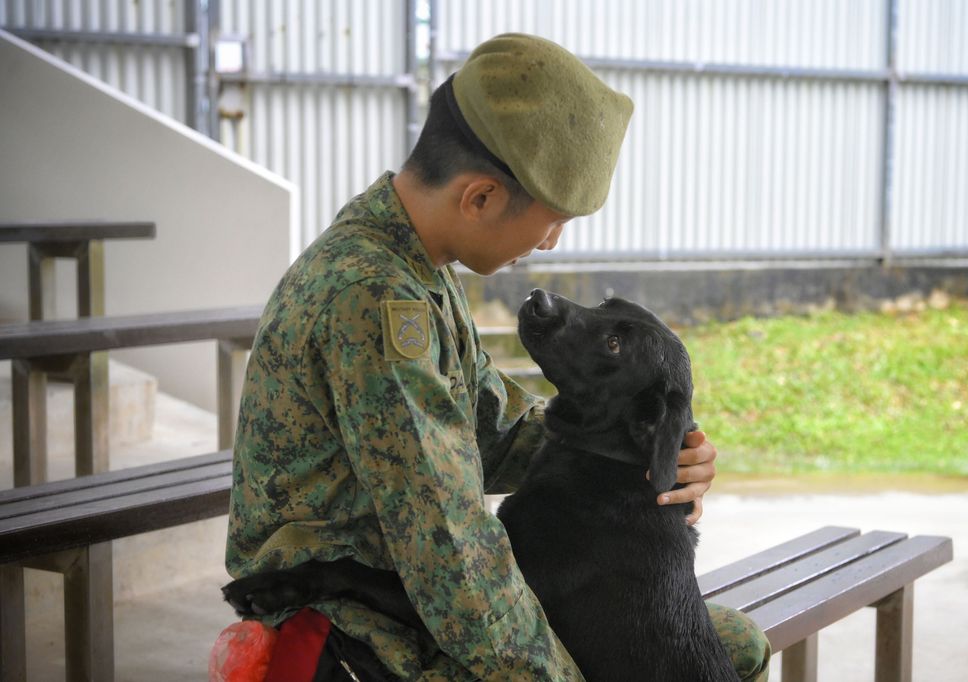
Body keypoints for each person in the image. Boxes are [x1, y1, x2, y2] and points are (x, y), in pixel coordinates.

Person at [225, 32, 770, 681]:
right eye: (553, 221)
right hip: (352, 627)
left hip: (411, 593)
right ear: (480, 197)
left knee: (729, 642)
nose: (550, 243)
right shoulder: (374, 301)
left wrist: (648, 452)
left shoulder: (410, 267)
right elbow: (449, 551)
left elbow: (492, 428)